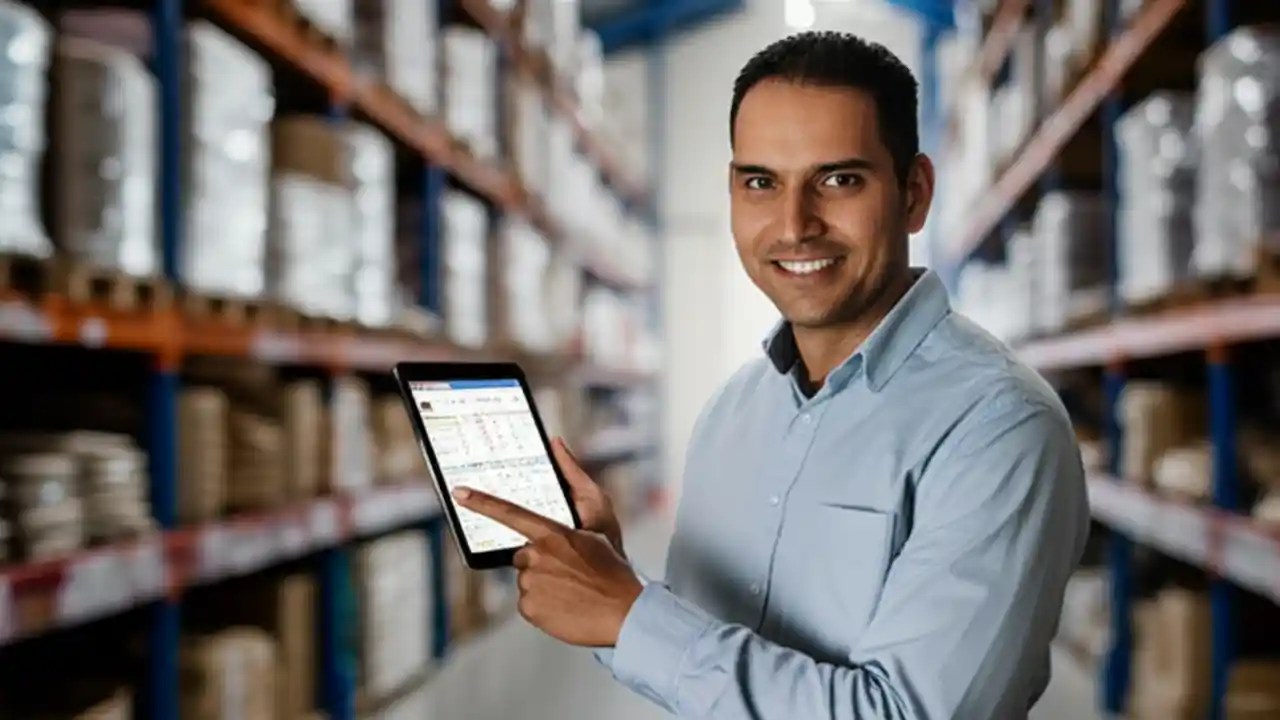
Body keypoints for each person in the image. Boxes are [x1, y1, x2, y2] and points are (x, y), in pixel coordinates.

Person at [453, 30, 1090, 719]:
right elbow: (706, 678)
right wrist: (613, 587)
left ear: (913, 193)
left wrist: (632, 618)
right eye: (761, 182)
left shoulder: (998, 429)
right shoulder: (731, 414)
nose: (794, 225)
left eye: (838, 180)